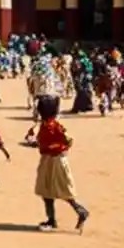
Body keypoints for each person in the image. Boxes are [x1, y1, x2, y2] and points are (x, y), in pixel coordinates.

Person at [32, 96, 90, 232]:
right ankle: (53, 219)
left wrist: (54, 147)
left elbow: (69, 140)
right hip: (49, 159)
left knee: (61, 190)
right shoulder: (46, 125)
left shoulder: (55, 126)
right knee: (47, 191)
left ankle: (77, 212)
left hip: (56, 160)